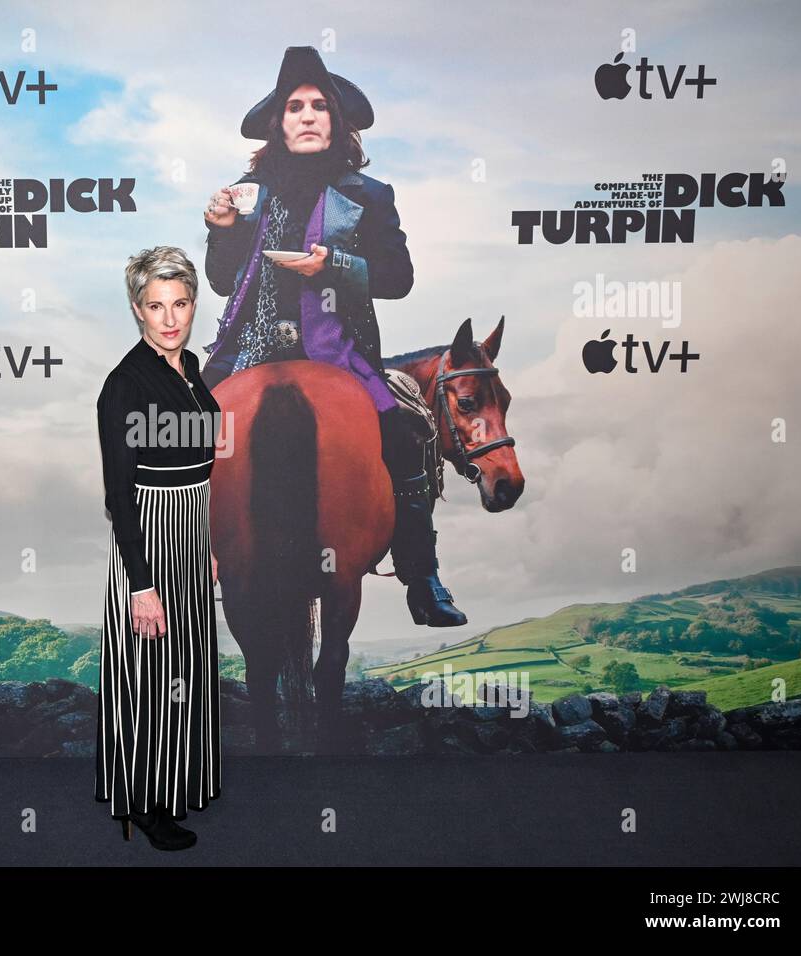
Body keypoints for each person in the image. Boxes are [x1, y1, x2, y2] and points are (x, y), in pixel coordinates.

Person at [200, 45, 466, 627]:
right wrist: (220, 232)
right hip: (250, 348)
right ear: (280, 124)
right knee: (174, 433)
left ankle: (422, 576)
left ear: (337, 122)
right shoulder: (246, 196)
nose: (307, 115)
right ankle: (174, 572)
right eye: (295, 106)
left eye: (319, 105)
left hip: (338, 349)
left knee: (406, 430)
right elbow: (223, 282)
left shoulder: (371, 195)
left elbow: (399, 280)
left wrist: (334, 267)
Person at [94, 246, 223, 851]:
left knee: (187, 670)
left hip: (192, 533)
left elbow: (202, 466)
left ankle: (177, 784)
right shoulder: (124, 385)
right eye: (155, 306)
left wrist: (208, 539)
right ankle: (141, 805)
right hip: (148, 533)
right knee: (146, 677)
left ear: (194, 304)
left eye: (180, 304)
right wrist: (141, 586)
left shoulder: (191, 368)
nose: (169, 319)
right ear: (137, 311)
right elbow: (119, 494)